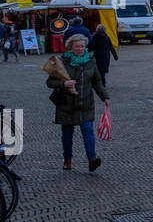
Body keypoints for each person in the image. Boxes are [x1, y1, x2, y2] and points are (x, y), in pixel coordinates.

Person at [46, 33, 110, 172]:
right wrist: (64, 83)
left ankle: (92, 159)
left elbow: (97, 82)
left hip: (85, 103)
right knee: (67, 133)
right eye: (77, 46)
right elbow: (50, 82)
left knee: (88, 130)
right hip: (66, 104)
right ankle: (67, 159)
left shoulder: (91, 61)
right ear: (70, 47)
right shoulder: (62, 62)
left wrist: (105, 97)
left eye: (82, 46)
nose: (80, 49)